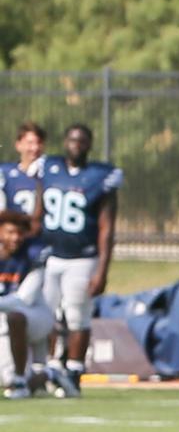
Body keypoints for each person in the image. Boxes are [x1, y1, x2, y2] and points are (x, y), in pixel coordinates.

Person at [38, 123, 119, 397]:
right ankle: (50, 366)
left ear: (89, 144)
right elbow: (38, 209)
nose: (77, 145)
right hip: (50, 255)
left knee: (77, 315)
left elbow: (107, 228)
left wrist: (102, 270)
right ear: (65, 142)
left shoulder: (101, 176)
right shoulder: (49, 167)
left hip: (82, 257)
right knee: (46, 315)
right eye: (73, 140)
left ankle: (74, 370)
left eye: (82, 141)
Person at [0, 210, 53, 399]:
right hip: (4, 318)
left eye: (20, 233)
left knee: (15, 317)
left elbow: (24, 299)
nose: (15, 238)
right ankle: (50, 374)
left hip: (35, 316)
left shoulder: (32, 254)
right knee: (4, 380)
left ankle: (22, 380)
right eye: (10, 232)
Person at [3, 122, 44, 231]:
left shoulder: (48, 174)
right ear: (18, 145)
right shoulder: (5, 173)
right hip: (13, 235)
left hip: (40, 236)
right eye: (30, 143)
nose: (35, 148)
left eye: (39, 142)